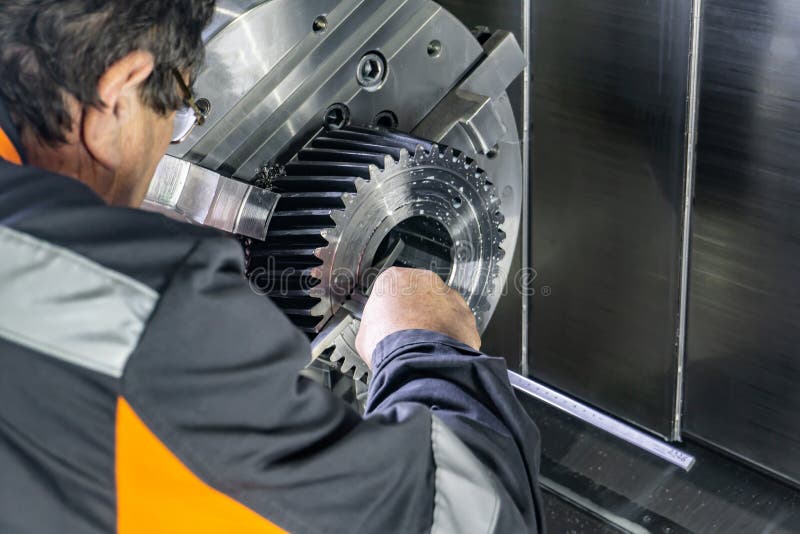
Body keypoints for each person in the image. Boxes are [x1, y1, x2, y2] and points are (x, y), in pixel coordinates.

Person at [0, 1, 544, 532]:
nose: (172, 138)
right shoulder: (134, 319)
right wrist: (430, 348)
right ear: (117, 93)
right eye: (179, 112)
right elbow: (474, 514)